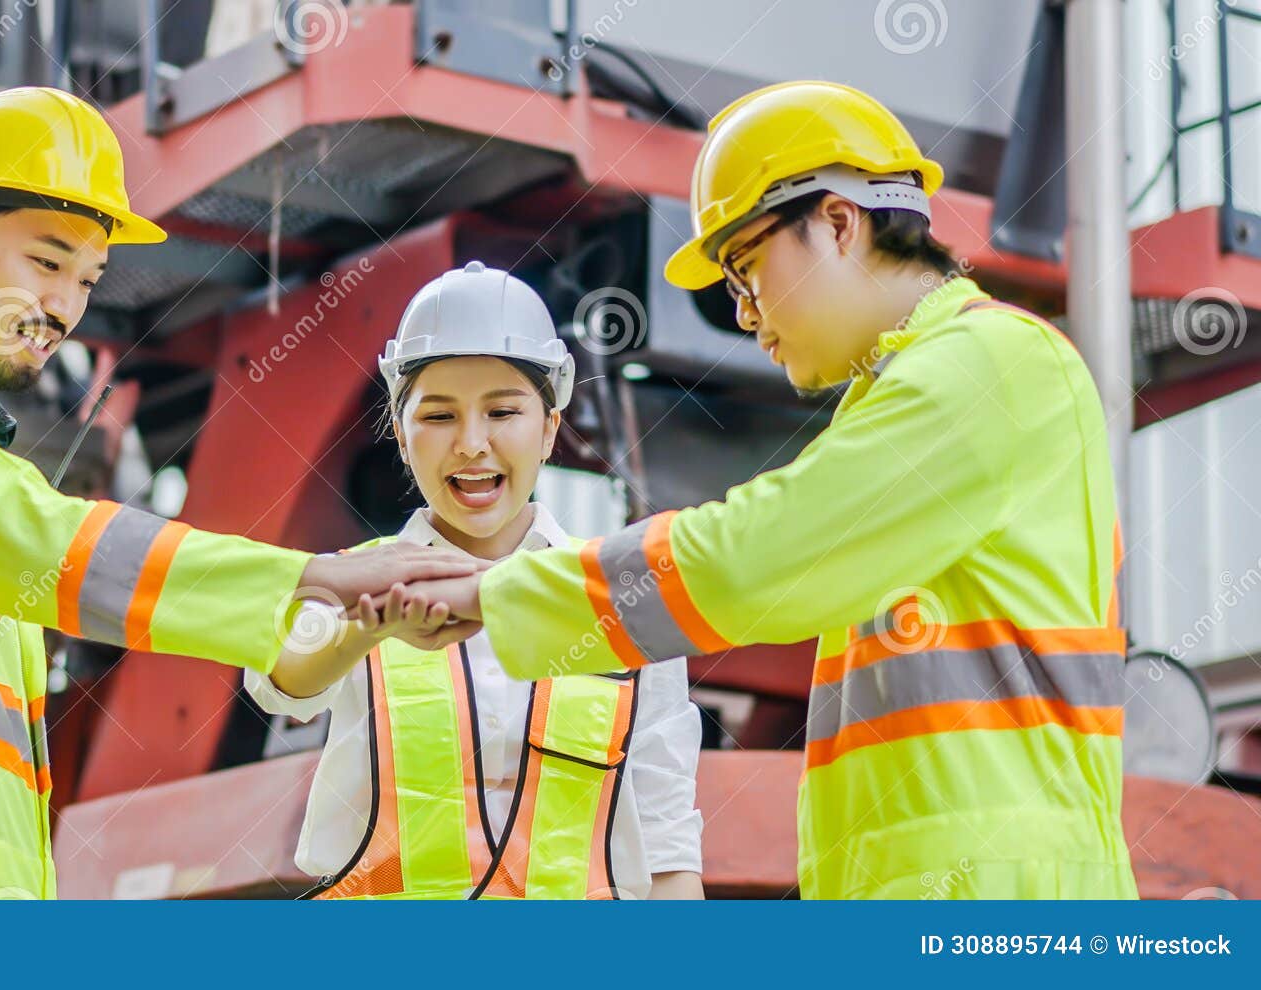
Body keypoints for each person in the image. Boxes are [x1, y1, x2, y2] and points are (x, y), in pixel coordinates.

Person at [403, 82, 1137, 899]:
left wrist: (506, 594)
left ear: (836, 220)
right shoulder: (906, 393)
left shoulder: (991, 362)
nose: (746, 316)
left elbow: (769, 552)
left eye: (746, 271)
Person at [0, 87, 475, 899]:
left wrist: (339, 618)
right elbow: (41, 542)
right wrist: (308, 577)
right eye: (46, 262)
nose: (64, 306)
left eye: (88, 279)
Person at [246, 262, 704, 899]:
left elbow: (666, 837)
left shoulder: (618, 598)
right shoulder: (354, 577)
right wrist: (367, 620)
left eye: (502, 412)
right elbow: (277, 680)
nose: (471, 443)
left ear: (548, 430)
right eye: (437, 417)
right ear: (401, 439)